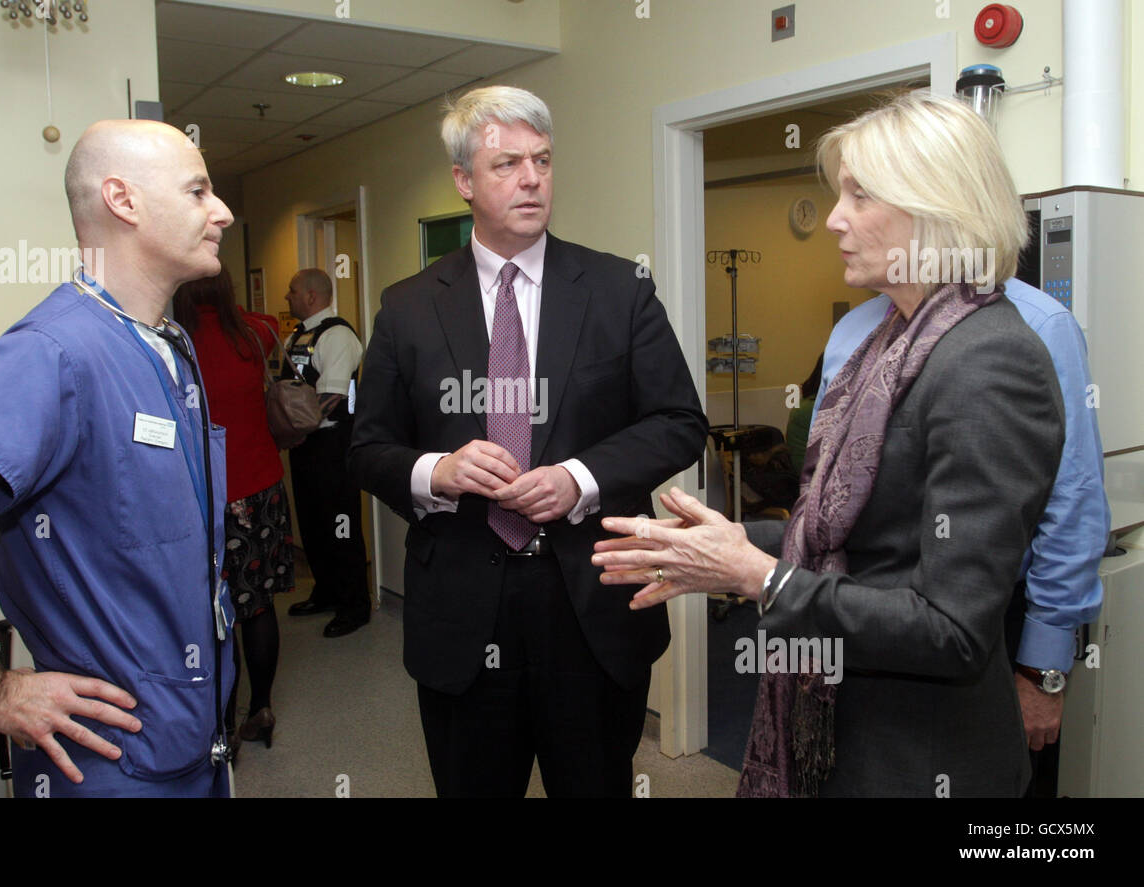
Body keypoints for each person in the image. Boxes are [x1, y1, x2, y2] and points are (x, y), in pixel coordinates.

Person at [593, 92, 1064, 797]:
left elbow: (953, 627)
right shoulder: (889, 344)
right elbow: (862, 533)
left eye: (859, 195)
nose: (835, 219)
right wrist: (727, 544)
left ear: (933, 208)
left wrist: (759, 577)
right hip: (842, 736)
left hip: (918, 760)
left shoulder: (989, 362)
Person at [0, 119, 237, 797]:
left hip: (197, 747)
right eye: (198, 190)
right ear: (123, 200)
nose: (222, 211)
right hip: (113, 766)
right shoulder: (52, 352)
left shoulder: (166, 345)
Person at [348, 86, 708, 797]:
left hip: (591, 607)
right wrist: (437, 469)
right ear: (463, 182)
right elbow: (366, 447)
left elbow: (678, 421)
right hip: (460, 608)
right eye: (507, 163)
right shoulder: (407, 307)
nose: (532, 178)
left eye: (542, 160)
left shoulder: (618, 289)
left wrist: (579, 476)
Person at [813, 280, 1108, 772]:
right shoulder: (853, 330)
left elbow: (1071, 498)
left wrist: (1041, 669)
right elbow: (826, 490)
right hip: (861, 605)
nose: (836, 221)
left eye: (862, 199)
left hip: (988, 618)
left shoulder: (1036, 324)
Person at [174, 269, 295, 751]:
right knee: (260, 604)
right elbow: (269, 321)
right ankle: (261, 708)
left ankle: (223, 726)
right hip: (262, 487)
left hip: (208, 494)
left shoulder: (176, 342)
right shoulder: (255, 331)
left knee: (217, 613)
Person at [281, 268, 372, 638]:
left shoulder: (338, 335)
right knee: (313, 525)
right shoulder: (296, 336)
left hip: (333, 446)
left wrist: (294, 429)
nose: (287, 296)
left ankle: (354, 605)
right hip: (303, 445)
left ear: (312, 296)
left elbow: (332, 397)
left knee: (340, 526)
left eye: (292, 290)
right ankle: (326, 592)